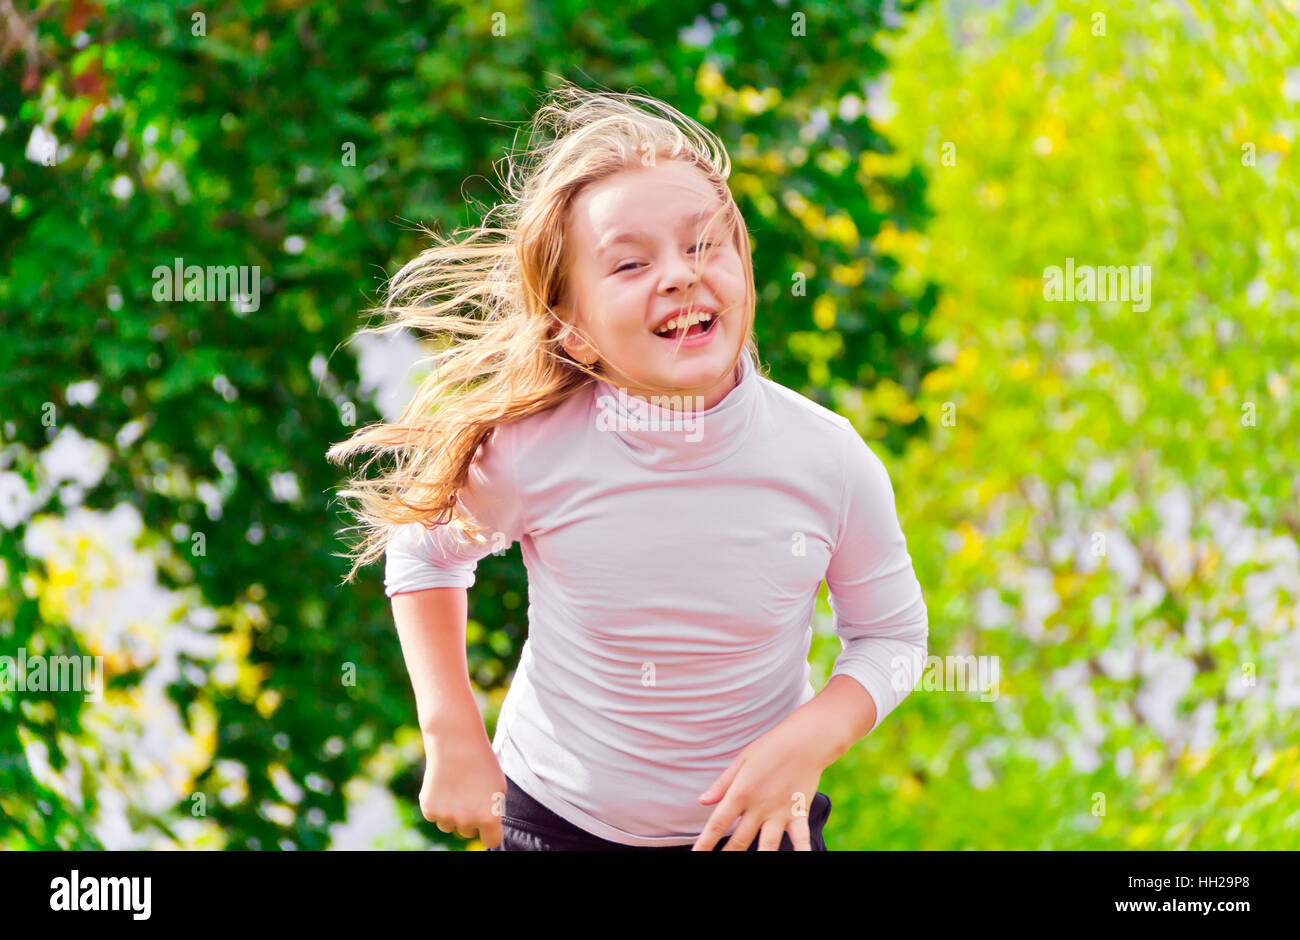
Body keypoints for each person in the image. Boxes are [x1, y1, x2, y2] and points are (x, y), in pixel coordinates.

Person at [326, 83, 929, 851]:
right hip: (557, 821)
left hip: (755, 828)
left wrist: (809, 741)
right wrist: (453, 736)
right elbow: (426, 550)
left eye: (704, 245)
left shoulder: (828, 458)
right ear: (573, 332)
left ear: (743, 268)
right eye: (630, 263)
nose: (678, 274)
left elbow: (891, 636)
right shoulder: (535, 449)